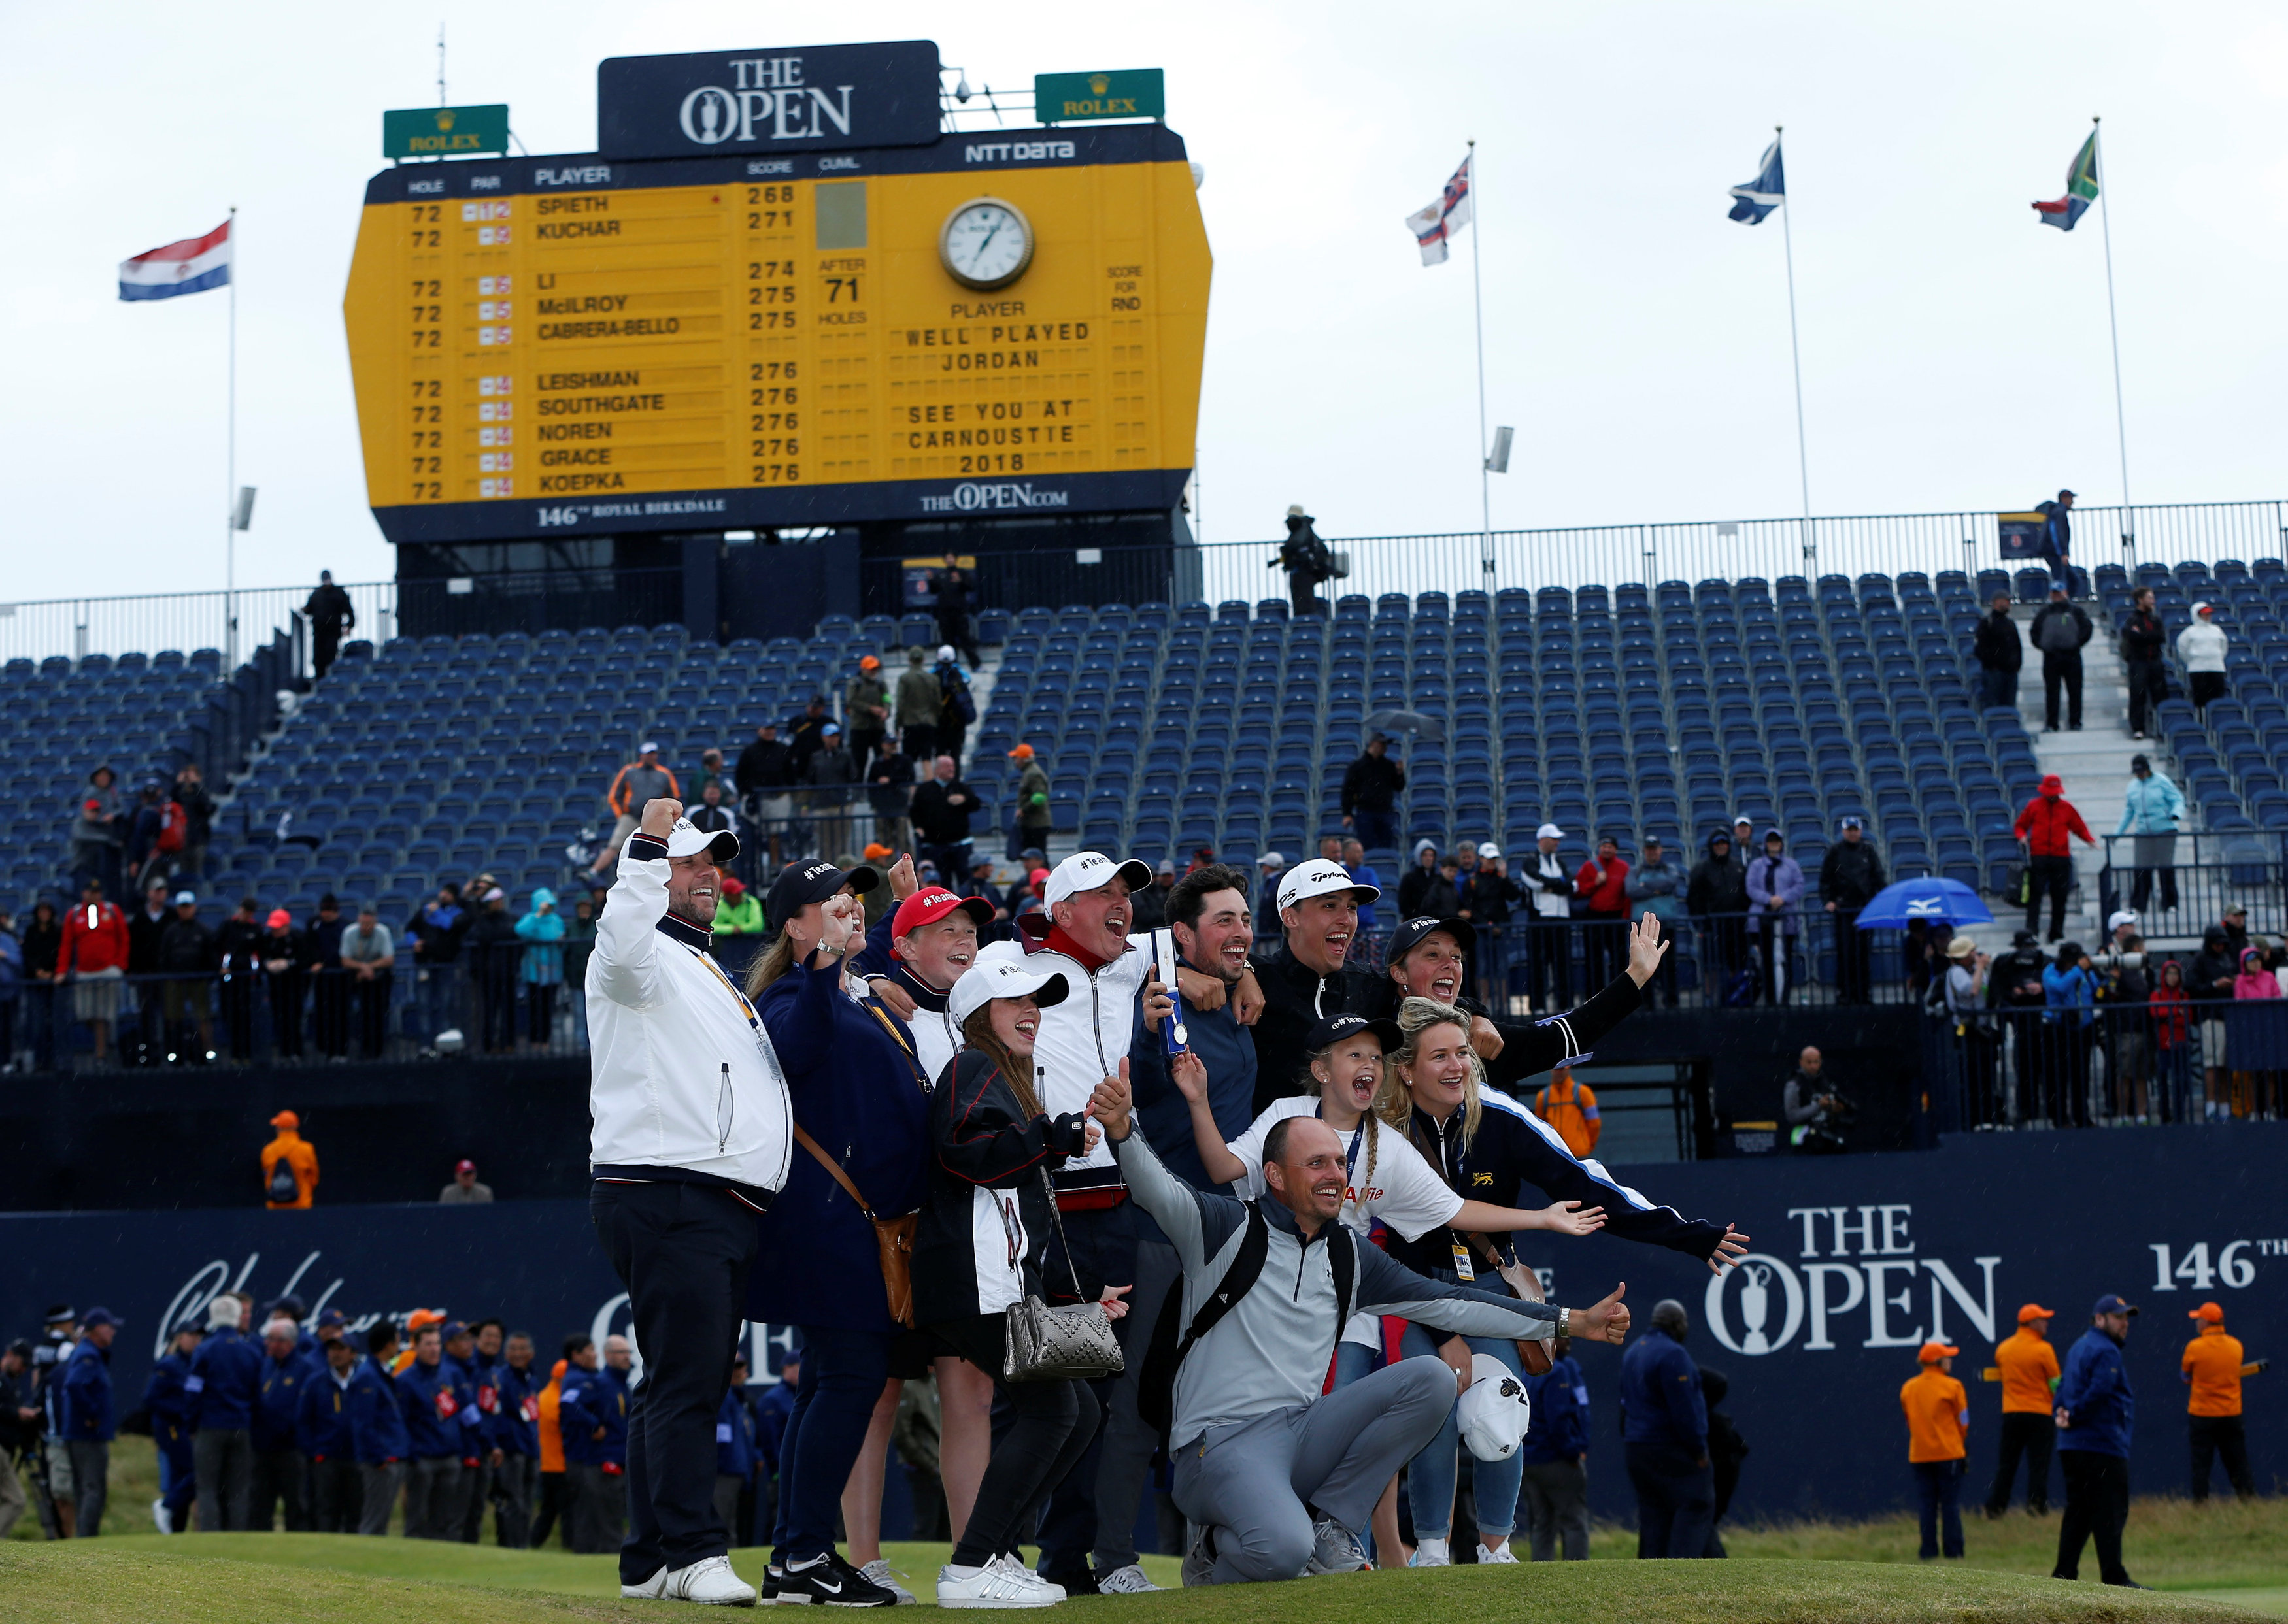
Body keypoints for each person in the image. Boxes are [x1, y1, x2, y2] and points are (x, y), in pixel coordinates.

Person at [1090, 1061, 1626, 1587]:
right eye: (1316, 1163)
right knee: (1282, 1550)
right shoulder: (1224, 1224)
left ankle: (1332, 1523)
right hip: (1217, 1447)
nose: (1334, 1176)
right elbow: (1160, 1190)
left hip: (1300, 1434)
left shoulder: (1350, 1253)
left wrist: (1569, 1321)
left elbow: (1451, 1304)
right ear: (1274, 1175)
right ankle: (1213, 1550)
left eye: (1339, 1164)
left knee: (1432, 1378)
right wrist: (1123, 1130)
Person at [587, 801, 790, 1606]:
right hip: (671, 1186)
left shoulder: (697, 960)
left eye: (715, 861)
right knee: (689, 1382)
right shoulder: (634, 954)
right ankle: (695, 1548)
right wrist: (639, 849)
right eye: (690, 860)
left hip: (702, 1192)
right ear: (652, 872)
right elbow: (623, 935)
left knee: (673, 1378)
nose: (710, 873)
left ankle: (649, 1560)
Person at [740, 855, 920, 1609]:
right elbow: (791, 1048)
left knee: (828, 1384)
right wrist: (820, 967)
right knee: (847, 1379)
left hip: (856, 1226)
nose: (849, 904)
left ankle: (794, 1556)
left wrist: (885, 930)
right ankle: (806, 1552)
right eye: (829, 899)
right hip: (830, 1226)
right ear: (793, 923)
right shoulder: (789, 994)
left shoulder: (847, 990)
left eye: (852, 895)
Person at [910, 946, 1109, 1607]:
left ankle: (994, 1553)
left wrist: (1068, 1297)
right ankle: (970, 1566)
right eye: (1016, 1001)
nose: (1031, 1013)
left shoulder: (1001, 1076)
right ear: (977, 1013)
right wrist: (1048, 1138)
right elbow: (964, 1155)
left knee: (1076, 1410)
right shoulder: (970, 1065)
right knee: (1055, 1409)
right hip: (972, 1280)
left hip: (999, 1281)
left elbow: (1017, 1203)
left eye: (1036, 1003)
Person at [2052, 1293, 2140, 1587]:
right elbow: (2100, 1390)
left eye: (2126, 1317)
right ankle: (2114, 1577)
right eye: (2118, 1317)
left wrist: (2061, 1413)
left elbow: (2063, 1385)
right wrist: (2074, 1414)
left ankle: (2064, 1576)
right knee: (2110, 1510)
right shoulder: (2107, 1351)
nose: (2124, 1323)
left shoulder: (2079, 1346)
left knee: (2079, 1510)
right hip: (2100, 1443)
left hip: (2072, 1443)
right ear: (2099, 1319)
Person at [1620, 1299, 1715, 1558]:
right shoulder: (1674, 1354)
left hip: (1637, 1449)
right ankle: (1682, 1572)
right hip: (1668, 1447)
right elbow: (1686, 1412)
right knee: (1695, 1505)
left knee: (1654, 1516)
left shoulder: (1634, 1351)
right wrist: (1699, 1451)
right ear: (1677, 1324)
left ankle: (1653, 1579)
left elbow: (1624, 1407)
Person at [190, 1293, 261, 1529]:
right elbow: (258, 1393)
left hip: (211, 1426)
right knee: (238, 1488)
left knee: (208, 1487)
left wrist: (191, 1422)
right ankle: (236, 1540)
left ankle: (211, 1539)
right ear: (237, 1316)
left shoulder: (205, 1350)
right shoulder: (250, 1351)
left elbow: (193, 1391)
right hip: (241, 1426)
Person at [1518, 1334, 1589, 1561]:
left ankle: (1542, 1577)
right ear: (1550, 1342)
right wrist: (1572, 1451)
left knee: (1542, 1523)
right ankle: (1580, 1577)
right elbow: (1558, 1420)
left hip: (1530, 1459)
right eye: (1564, 1339)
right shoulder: (1556, 1371)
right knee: (1574, 1521)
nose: (1569, 1343)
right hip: (1554, 1459)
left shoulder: (1528, 1370)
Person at [1902, 1339, 1969, 1561]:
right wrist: (1959, 1441)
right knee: (1950, 1505)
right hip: (1949, 1453)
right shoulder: (1953, 1386)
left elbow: (1909, 1420)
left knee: (1927, 1505)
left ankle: (1928, 1552)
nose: (1950, 1361)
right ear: (1939, 1362)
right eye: (1947, 1357)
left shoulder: (1909, 1388)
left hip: (1920, 1455)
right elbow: (1964, 1421)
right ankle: (1954, 1552)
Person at [2181, 1301, 2256, 1502]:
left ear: (2206, 1323)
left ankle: (2200, 1506)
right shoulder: (2236, 1346)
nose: (2197, 1323)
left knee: (2201, 1465)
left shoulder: (2194, 1348)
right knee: (2238, 1462)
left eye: (2198, 1320)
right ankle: (2249, 1502)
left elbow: (2186, 1377)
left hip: (2202, 1416)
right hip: (2231, 1415)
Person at [250, 1317, 314, 1532]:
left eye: (275, 1340)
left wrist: (287, 1430)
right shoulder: (265, 1364)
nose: (269, 1344)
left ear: (289, 1343)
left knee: (295, 1503)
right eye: (268, 1339)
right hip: (262, 1448)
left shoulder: (305, 1368)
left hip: (290, 1449)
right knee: (260, 1504)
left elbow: (303, 1410)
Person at [58, 1306, 118, 1536]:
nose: (113, 1332)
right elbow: (74, 1385)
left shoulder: (88, 1351)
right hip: (87, 1435)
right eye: (110, 1327)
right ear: (98, 1330)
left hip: (81, 1434)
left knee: (86, 1488)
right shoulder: (88, 1354)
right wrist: (92, 1416)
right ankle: (87, 1540)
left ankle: (84, 1540)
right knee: (93, 1489)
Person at [2015, 776, 2096, 944]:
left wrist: (2089, 840)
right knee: (2035, 896)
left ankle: (2057, 933)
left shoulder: (2067, 808)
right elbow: (2020, 825)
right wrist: (2022, 837)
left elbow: (2078, 827)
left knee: (2060, 898)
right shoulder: (2034, 806)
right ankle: (2032, 932)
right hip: (2039, 857)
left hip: (2061, 858)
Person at [61, 878, 131, 1066]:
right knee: (85, 1014)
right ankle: (104, 1044)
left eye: (98, 892)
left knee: (103, 1014)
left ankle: (101, 1053)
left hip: (108, 969)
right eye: (91, 892)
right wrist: (62, 970)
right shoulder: (74, 914)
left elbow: (124, 938)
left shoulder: (111, 910)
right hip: (84, 971)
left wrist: (120, 965)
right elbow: (67, 944)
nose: (94, 895)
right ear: (84, 893)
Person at [143, 1317, 202, 1534]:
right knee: (197, 1469)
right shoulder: (169, 1364)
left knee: (182, 1475)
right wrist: (180, 1411)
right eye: (192, 1335)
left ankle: (176, 1530)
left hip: (184, 1427)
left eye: (199, 1336)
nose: (196, 1340)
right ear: (179, 1338)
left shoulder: (194, 1363)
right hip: (170, 1427)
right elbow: (151, 1398)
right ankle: (166, 1506)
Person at [299, 1331, 363, 1533]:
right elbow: (303, 1421)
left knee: (356, 1511)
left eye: (341, 1349)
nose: (335, 1354)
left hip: (358, 1458)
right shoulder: (316, 1382)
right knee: (326, 1511)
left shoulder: (364, 1380)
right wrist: (315, 1452)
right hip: (326, 1459)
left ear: (353, 1353)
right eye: (332, 1349)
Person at [1820, 817, 1886, 1004]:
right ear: (1843, 831)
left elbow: (1878, 878)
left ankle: (1864, 993)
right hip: (1843, 911)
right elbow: (1825, 879)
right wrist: (1828, 901)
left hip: (1865, 910)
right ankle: (1844, 993)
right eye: (1849, 830)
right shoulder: (1835, 852)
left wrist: (1880, 900)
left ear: (1860, 831)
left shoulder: (1868, 851)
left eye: (1855, 829)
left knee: (1864, 953)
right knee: (1845, 952)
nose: (1852, 832)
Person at [591, 743, 680, 879]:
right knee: (615, 845)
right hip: (631, 817)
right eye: (648, 754)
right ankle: (593, 872)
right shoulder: (629, 771)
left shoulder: (664, 774)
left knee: (659, 847)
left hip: (655, 817)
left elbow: (674, 797)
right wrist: (621, 815)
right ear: (641, 756)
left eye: (653, 754)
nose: (651, 757)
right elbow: (614, 796)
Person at [2117, 755, 2185, 916]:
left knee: (2165, 867)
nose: (2139, 775)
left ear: (2148, 769)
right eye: (2137, 772)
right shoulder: (2133, 787)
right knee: (2141, 868)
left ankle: (2170, 903)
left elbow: (2177, 799)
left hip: (2165, 829)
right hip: (2143, 832)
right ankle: (2139, 905)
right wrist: (2118, 833)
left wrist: (2176, 814)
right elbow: (2129, 811)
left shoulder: (2161, 781)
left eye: (2142, 771)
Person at [1687, 829, 1749, 1001]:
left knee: (1736, 963)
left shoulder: (1738, 867)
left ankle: (1734, 997)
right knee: (1711, 966)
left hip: (1736, 926)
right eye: (1717, 844)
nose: (1721, 847)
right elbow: (1693, 899)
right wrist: (1700, 924)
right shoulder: (1701, 869)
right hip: (1711, 927)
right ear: (1711, 846)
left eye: (1724, 843)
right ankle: (1709, 999)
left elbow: (1746, 895)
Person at [1745, 829, 1805, 1005]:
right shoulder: (1757, 865)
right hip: (1762, 920)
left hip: (1786, 920)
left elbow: (1799, 885)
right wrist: (1769, 899)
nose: (1773, 844)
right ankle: (1770, 999)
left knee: (1785, 959)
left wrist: (1783, 899)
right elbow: (1751, 887)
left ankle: (1784, 999)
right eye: (1770, 841)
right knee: (1766, 961)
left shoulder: (1791, 865)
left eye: (1776, 841)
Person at [1622, 836, 1683, 1008]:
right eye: (1649, 849)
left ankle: (1671, 1002)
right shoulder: (1636, 871)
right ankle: (1648, 1004)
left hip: (1667, 924)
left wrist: (1645, 886)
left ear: (1660, 850)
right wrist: (1656, 889)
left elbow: (1670, 883)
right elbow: (1631, 890)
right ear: (1644, 851)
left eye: (1654, 849)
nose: (1652, 852)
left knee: (1669, 964)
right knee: (1644, 966)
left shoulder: (1669, 868)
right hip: (1644, 928)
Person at [2029, 581, 2093, 732]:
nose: (2056, 596)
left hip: (2072, 656)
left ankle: (2075, 722)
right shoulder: (2044, 613)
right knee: (2052, 691)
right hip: (2051, 657)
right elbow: (2035, 633)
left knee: (2075, 690)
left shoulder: (2076, 611)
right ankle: (2052, 723)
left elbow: (2087, 629)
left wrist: (2076, 643)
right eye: (2054, 593)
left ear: (2065, 593)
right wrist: (2044, 646)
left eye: (2059, 592)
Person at [735, 720, 798, 868]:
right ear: (760, 730)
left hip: (779, 797)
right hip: (757, 798)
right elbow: (741, 776)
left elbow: (791, 775)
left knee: (776, 833)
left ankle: (776, 863)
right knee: (755, 832)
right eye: (766, 729)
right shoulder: (750, 751)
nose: (770, 732)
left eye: (772, 729)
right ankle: (755, 864)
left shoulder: (782, 749)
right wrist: (747, 794)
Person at [1573, 835, 1631, 989]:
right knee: (1593, 960)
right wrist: (1595, 883)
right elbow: (1578, 891)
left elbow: (1628, 894)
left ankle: (1618, 993)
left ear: (1616, 849)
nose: (1606, 849)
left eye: (1610, 846)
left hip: (1616, 918)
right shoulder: (1589, 866)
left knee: (1619, 960)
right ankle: (1594, 996)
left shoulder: (1623, 867)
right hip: (1594, 917)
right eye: (1604, 846)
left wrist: (1624, 917)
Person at [910, 755, 979, 883]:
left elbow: (977, 804)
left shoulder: (960, 787)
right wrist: (918, 827)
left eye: (953, 766)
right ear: (937, 770)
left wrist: (964, 800)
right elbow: (915, 811)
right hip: (936, 846)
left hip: (960, 845)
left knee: (965, 880)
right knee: (942, 881)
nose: (951, 769)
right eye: (947, 766)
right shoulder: (925, 789)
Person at [715, 1354, 758, 1553]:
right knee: (722, 1520)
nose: (739, 1372)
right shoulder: (724, 1397)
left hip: (736, 1470)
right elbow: (721, 1436)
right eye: (734, 1368)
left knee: (731, 1521)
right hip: (725, 1470)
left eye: (741, 1367)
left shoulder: (738, 1400)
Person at [513, 887, 566, 1050]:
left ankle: (545, 1041)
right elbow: (521, 931)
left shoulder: (556, 919)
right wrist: (538, 916)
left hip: (553, 972)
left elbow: (560, 938)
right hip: (534, 973)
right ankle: (534, 1040)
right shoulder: (530, 918)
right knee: (535, 1008)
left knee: (548, 1008)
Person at [1339, 733, 1405, 853]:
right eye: (1382, 744)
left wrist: (1400, 773)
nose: (1384, 747)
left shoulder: (1389, 766)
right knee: (1366, 847)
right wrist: (1347, 813)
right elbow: (1348, 791)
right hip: (1365, 812)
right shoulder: (1358, 766)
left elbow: (1399, 786)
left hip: (1385, 811)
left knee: (1386, 847)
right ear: (1373, 744)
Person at [306, 894, 353, 1059]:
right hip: (322, 978)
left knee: (341, 1013)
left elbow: (344, 950)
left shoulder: (345, 926)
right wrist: (315, 962)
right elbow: (311, 946)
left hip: (341, 977)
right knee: (324, 1013)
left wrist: (327, 963)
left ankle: (341, 1050)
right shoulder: (314, 924)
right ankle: (325, 1050)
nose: (325, 916)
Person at [2119, 587, 2168, 738]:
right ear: (2140, 600)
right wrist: (2147, 637)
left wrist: (2143, 635)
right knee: (2138, 695)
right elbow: (2132, 638)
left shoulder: (2156, 619)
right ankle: (2138, 729)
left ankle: (2161, 729)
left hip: (2155, 662)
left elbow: (2160, 637)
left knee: (2160, 695)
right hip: (2138, 663)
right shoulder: (2132, 619)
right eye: (2149, 597)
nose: (2152, 601)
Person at [1782, 1047, 1846, 1154]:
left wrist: (1833, 1107)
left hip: (1827, 1136)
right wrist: (1818, 1106)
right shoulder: (1794, 1084)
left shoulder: (1825, 1081)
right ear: (1801, 1062)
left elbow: (1840, 1107)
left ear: (1820, 1062)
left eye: (1816, 1062)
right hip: (1803, 1140)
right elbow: (1792, 1116)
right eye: (1809, 1062)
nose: (1813, 1066)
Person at [1534, 1063, 1600, 1158]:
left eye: (1562, 1069)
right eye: (1557, 1069)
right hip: (1555, 1154)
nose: (1560, 1072)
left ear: (1568, 1069)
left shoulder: (1583, 1092)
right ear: (1551, 1070)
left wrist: (1588, 1146)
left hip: (1579, 1154)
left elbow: (1595, 1123)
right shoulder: (1543, 1097)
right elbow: (1539, 1127)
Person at [1974, 591, 2025, 711]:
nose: (2008, 604)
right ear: (1997, 602)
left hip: (2011, 673)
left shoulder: (2010, 623)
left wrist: (2017, 665)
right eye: (2006, 601)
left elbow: (2017, 646)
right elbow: (1979, 648)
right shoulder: (1987, 623)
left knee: (2010, 707)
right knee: (1994, 706)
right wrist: (1993, 664)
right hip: (1993, 673)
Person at [2178, 601, 2230, 714]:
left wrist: (2217, 659)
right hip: (2197, 670)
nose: (2207, 616)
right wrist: (2193, 661)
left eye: (2208, 614)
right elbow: (2182, 650)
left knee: (2217, 699)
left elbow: (2224, 648)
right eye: (2204, 614)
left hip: (2216, 668)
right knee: (2200, 700)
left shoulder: (2217, 630)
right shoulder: (2189, 633)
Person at [303, 570, 356, 680]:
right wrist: (305, 610)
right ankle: (320, 681)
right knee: (318, 658)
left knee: (331, 655)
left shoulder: (339, 593)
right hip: (319, 630)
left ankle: (332, 680)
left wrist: (350, 625)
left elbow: (349, 611)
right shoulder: (316, 594)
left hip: (333, 630)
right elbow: (309, 609)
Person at [896, 647, 942, 763]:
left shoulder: (904, 679)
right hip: (929, 722)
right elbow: (938, 702)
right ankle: (929, 780)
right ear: (923, 660)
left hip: (910, 722)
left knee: (908, 759)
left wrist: (898, 723)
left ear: (909, 660)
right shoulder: (933, 679)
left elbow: (900, 703)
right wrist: (936, 717)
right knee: (927, 759)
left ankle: (909, 780)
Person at [845, 654, 891, 765]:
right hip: (860, 728)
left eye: (875, 669)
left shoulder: (881, 684)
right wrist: (870, 709)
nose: (874, 671)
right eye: (871, 669)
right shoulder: (854, 684)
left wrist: (886, 711)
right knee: (859, 760)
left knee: (882, 760)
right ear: (863, 669)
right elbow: (851, 701)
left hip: (878, 727)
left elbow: (887, 699)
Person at [935, 646, 976, 763]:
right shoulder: (960, 674)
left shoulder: (934, 674)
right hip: (957, 721)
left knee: (941, 755)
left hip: (941, 721)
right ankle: (955, 778)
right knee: (956, 754)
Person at [936, 565, 981, 666]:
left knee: (965, 640)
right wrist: (930, 580)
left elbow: (971, 587)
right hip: (946, 614)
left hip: (960, 614)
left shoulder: (962, 573)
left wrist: (961, 582)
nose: (950, 560)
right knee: (948, 642)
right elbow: (934, 589)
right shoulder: (941, 574)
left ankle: (976, 665)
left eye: (951, 557)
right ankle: (950, 666)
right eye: (947, 557)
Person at [2035, 490, 2078, 595]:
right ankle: (2060, 604)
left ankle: (2064, 603)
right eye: (2071, 499)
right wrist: (2063, 553)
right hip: (2055, 553)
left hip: (2054, 552)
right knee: (2063, 581)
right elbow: (2057, 534)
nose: (2072, 502)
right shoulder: (2059, 512)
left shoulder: (2057, 511)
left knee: (2070, 579)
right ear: (2064, 499)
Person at [1396, 838, 1449, 919]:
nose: (1428, 858)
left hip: (1435, 923)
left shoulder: (1439, 879)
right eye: (1425, 855)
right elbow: (1404, 905)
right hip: (1414, 922)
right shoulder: (1409, 879)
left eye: (1431, 855)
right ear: (1419, 856)